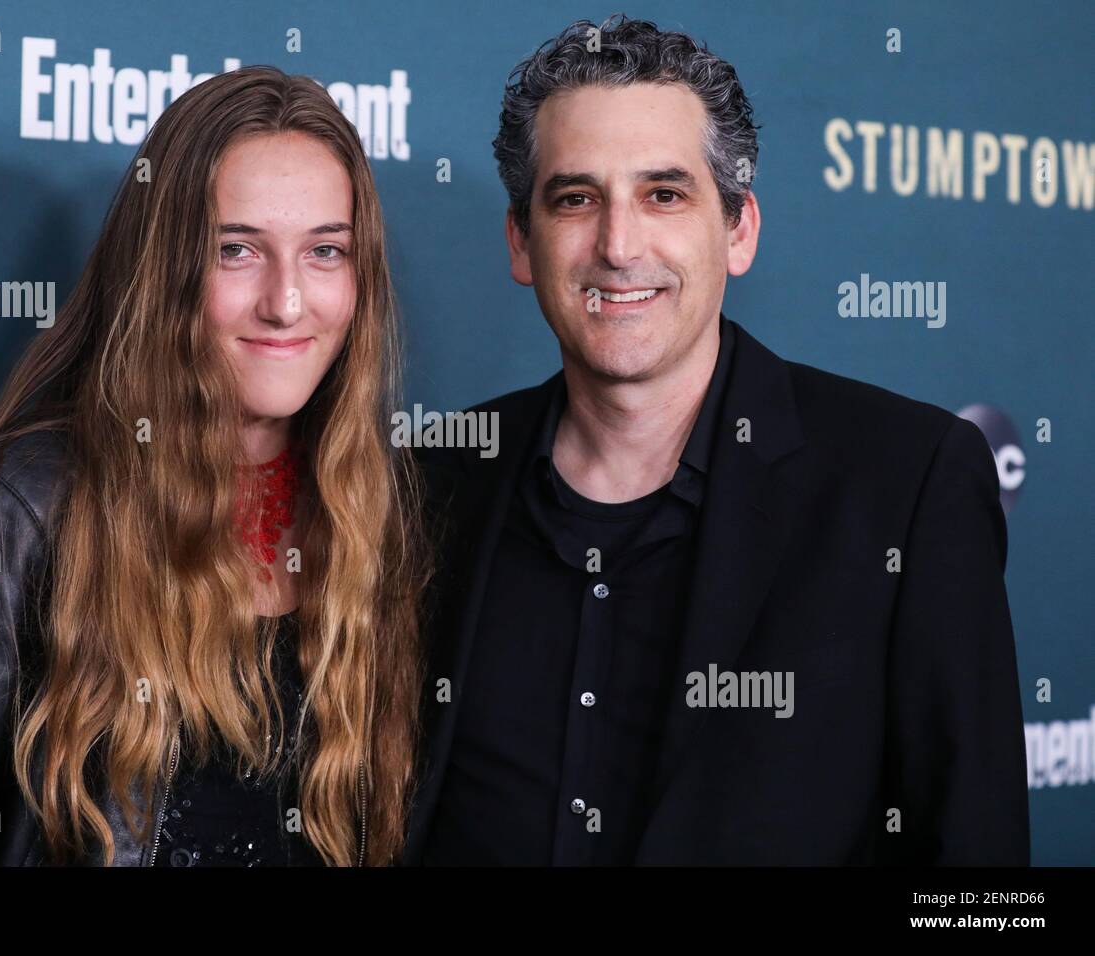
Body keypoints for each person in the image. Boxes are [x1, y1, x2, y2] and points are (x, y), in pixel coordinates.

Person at [404, 15, 1029, 865]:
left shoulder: (905, 486)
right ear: (522, 241)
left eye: (665, 194)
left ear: (739, 231)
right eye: (576, 198)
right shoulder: (435, 480)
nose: (619, 247)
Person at [0, 65, 429, 867]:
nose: (287, 302)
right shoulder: (23, 504)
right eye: (237, 250)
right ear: (165, 269)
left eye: (325, 251)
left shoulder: (374, 511)